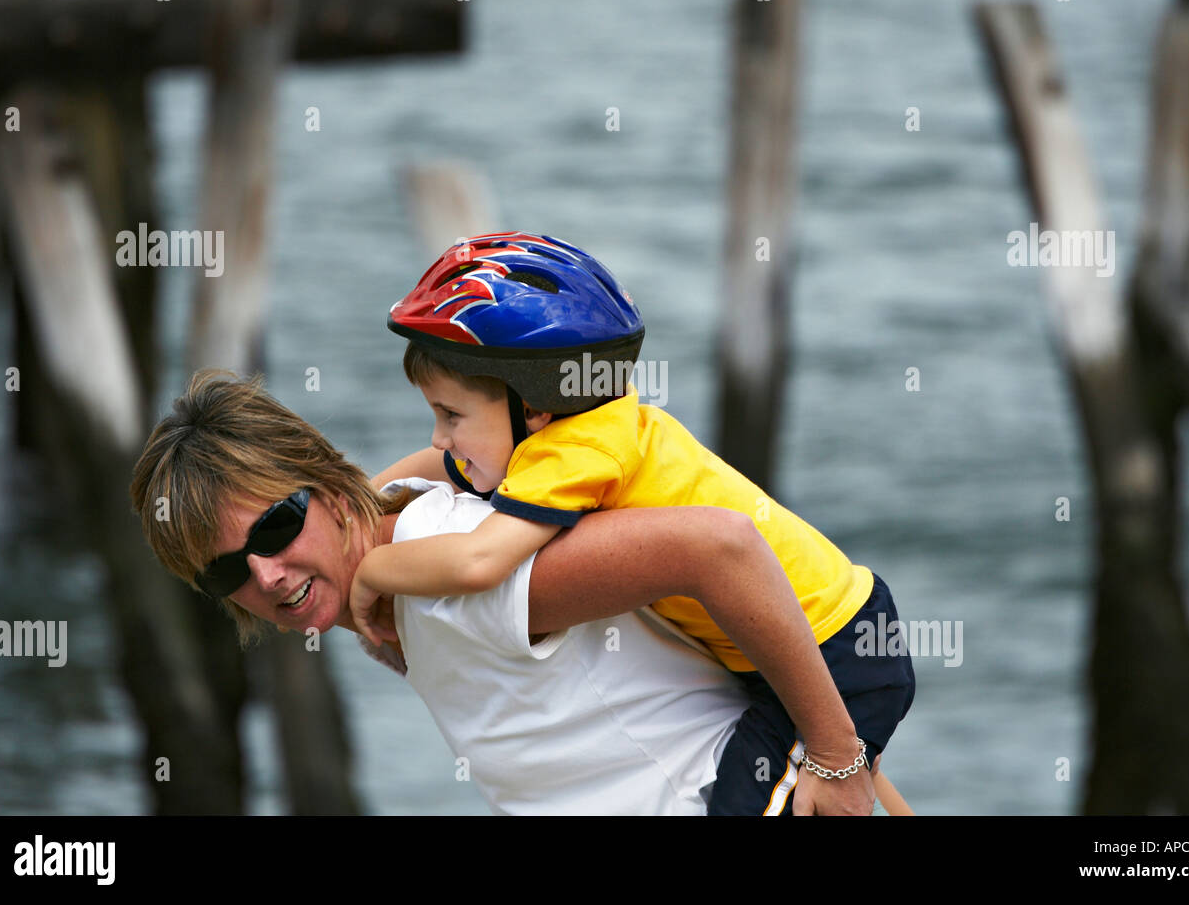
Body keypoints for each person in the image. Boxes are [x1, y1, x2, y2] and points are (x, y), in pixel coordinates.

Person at [128, 370, 892, 814]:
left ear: (326, 485)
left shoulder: (458, 573)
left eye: (272, 530)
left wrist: (836, 758)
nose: (266, 575)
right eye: (226, 572)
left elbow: (718, 546)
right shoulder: (403, 575)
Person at [360, 231, 915, 816]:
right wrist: (365, 503)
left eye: (451, 415)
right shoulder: (581, 428)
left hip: (838, 653)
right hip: (807, 640)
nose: (439, 437)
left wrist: (375, 567)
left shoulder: (576, 457)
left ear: (535, 405)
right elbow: (439, 466)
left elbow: (479, 561)